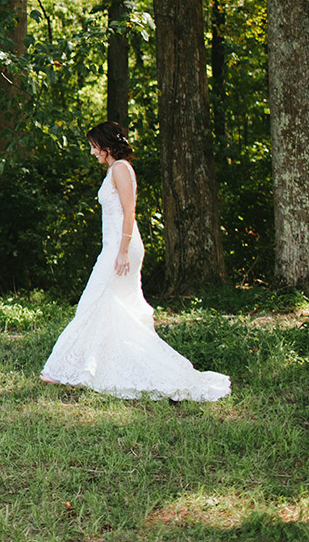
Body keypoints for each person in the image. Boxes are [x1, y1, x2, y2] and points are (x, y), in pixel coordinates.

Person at [40, 121, 229, 401]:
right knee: (107, 306)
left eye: (95, 147)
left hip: (122, 247)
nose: (92, 152)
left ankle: (68, 369)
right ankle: (84, 368)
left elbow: (129, 211)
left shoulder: (120, 168)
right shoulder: (114, 169)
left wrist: (123, 251)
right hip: (114, 246)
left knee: (95, 300)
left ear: (107, 146)